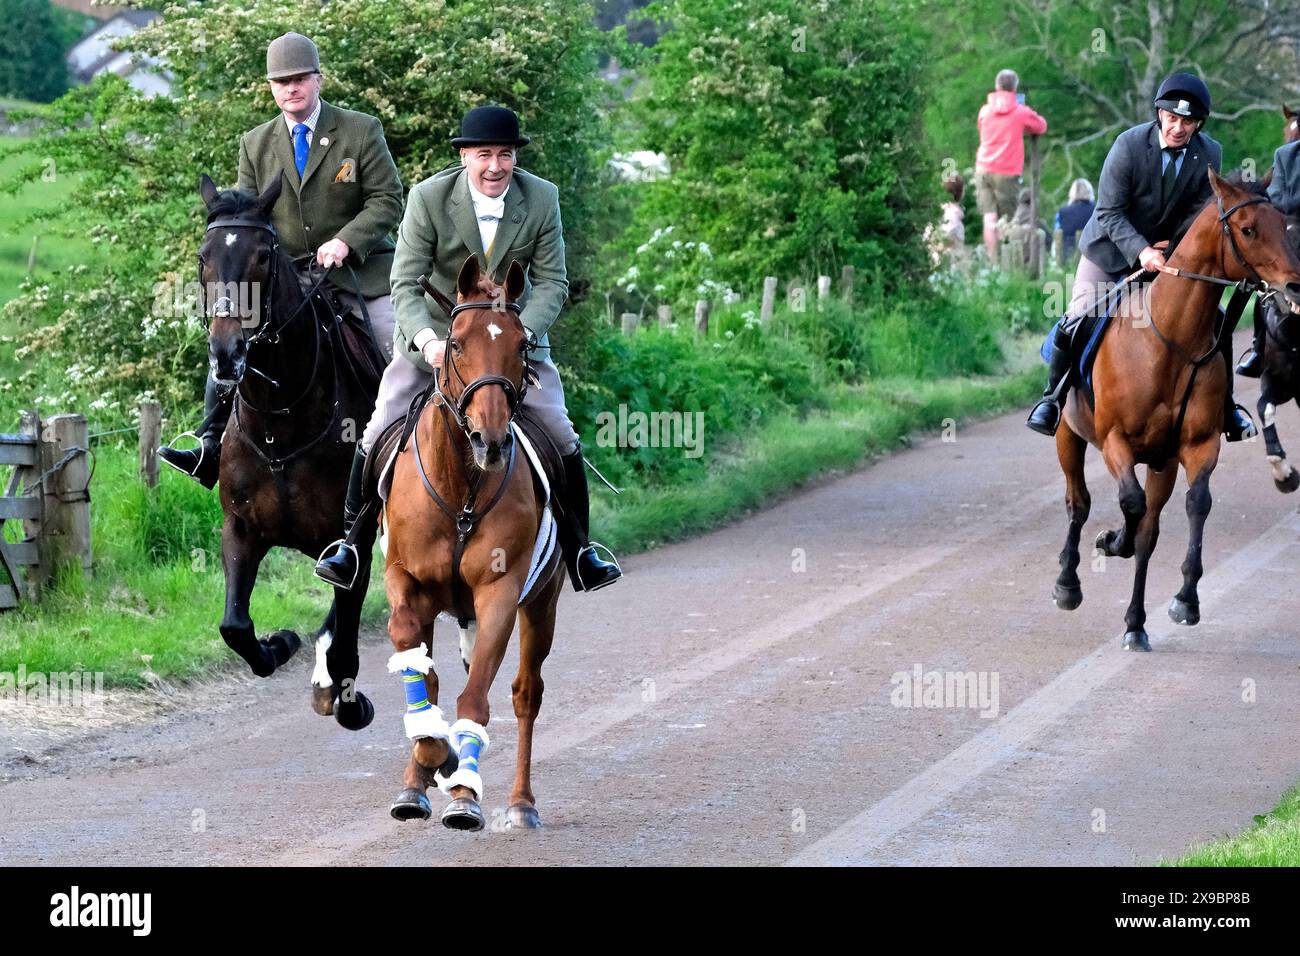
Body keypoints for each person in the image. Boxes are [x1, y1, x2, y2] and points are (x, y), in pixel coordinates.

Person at [313, 105, 622, 594]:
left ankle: (581, 550)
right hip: (437, 344)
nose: (496, 165)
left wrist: (521, 334)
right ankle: (350, 545)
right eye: (484, 155)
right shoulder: (429, 198)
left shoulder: (542, 198)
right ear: (464, 157)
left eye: (505, 155)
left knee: (562, 433)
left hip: (511, 348)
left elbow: (552, 283)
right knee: (377, 428)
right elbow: (404, 283)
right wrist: (427, 341)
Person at [159, 32, 404, 487]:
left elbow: (388, 200)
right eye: (280, 82)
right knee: (228, 339)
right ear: (271, 88)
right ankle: (209, 445)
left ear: (318, 80)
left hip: (358, 274)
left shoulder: (360, 130)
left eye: (299, 79)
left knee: (402, 352)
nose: (290, 88)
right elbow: (247, 217)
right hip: (286, 280)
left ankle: (412, 453)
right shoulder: (255, 143)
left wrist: (347, 241)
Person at [1025, 72, 1257, 442]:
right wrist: (1141, 250)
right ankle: (1051, 398)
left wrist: (1175, 253)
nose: (1178, 128)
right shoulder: (1129, 145)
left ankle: (1227, 409)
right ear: (1159, 114)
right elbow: (1108, 212)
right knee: (1080, 315)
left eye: (1188, 122)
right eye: (1172, 118)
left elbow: (1197, 216)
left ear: (1199, 123)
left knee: (1214, 324)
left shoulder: (1209, 153)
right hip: (1110, 251)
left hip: (1168, 257)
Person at [1235, 137, 1300, 376]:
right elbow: (1274, 200)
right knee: (1258, 285)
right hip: (1292, 236)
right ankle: (1258, 349)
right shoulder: (1285, 155)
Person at [976, 69, 1048, 263]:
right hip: (1006, 171)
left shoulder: (985, 110)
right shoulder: (1020, 112)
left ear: (997, 86)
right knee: (1008, 219)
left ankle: (992, 263)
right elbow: (1041, 126)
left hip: (983, 168)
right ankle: (1010, 263)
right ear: (1015, 88)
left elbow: (981, 127)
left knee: (989, 218)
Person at [1054, 178, 1095, 263]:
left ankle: (1067, 275)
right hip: (1091, 259)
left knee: (1069, 275)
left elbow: (1057, 232)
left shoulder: (1062, 212)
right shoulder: (1096, 211)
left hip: (1068, 258)